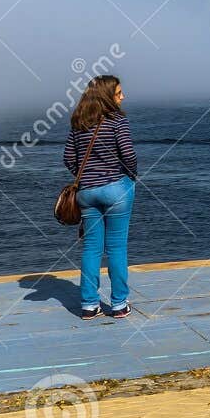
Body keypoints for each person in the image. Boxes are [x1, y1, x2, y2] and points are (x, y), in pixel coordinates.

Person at [62, 75, 138, 319]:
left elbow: (68, 158)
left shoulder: (79, 122)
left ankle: (88, 305)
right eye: (118, 93)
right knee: (116, 248)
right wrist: (131, 176)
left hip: (87, 193)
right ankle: (119, 305)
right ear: (107, 95)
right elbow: (128, 154)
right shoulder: (117, 121)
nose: (123, 96)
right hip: (116, 188)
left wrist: (86, 177)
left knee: (91, 249)